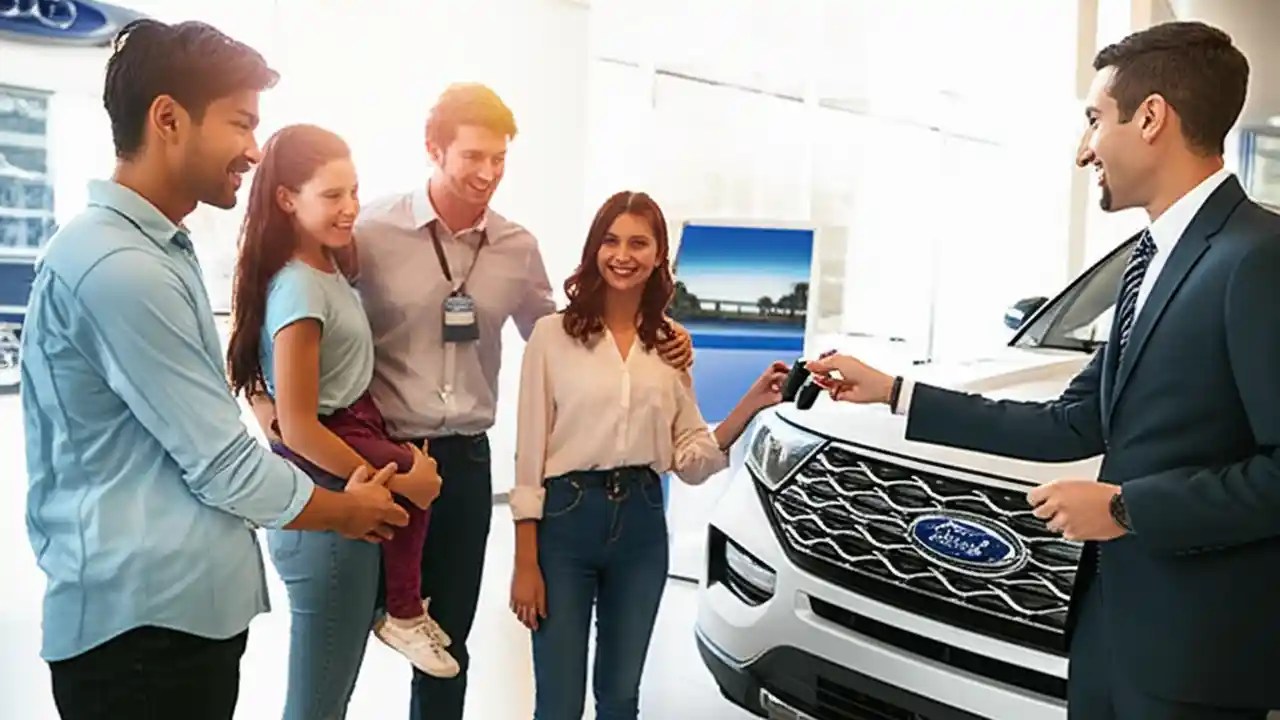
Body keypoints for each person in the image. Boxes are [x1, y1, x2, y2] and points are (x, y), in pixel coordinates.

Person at [806, 21, 1279, 720]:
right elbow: (1071, 421)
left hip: (1195, 663)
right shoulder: (1151, 258)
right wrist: (895, 392)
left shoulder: (1258, 258)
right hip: (1106, 640)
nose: (1084, 149)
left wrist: (1123, 508)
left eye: (1095, 120)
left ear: (1151, 118)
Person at [248, 83, 694, 720]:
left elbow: (572, 337)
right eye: (473, 156)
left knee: (443, 644)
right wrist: (267, 402)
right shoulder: (365, 230)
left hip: (462, 465)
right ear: (433, 149)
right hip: (372, 457)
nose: (488, 173)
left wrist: (661, 333)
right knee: (341, 640)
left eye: (500, 159)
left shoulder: (517, 248)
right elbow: (296, 317)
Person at [19, 20, 409, 720]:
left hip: (173, 623)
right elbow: (223, 464)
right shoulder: (120, 266)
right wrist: (347, 511)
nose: (255, 152)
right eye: (240, 124)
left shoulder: (157, 249)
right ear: (168, 118)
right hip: (140, 635)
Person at [508, 190, 788, 719]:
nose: (623, 254)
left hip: (641, 523)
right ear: (594, 248)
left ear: (660, 255)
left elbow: (690, 459)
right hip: (565, 524)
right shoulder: (551, 337)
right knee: (559, 701)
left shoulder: (669, 345)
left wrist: (749, 406)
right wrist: (526, 561)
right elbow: (529, 453)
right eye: (611, 240)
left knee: (621, 697)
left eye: (639, 243)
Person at [224, 124, 459, 720]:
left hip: (336, 497)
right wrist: (397, 481)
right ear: (286, 199)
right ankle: (404, 613)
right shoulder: (301, 287)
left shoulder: (323, 271)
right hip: (330, 513)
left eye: (354, 191)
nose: (351, 207)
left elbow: (272, 398)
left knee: (326, 699)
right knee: (318, 705)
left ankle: (404, 611)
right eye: (332, 195)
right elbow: (300, 427)